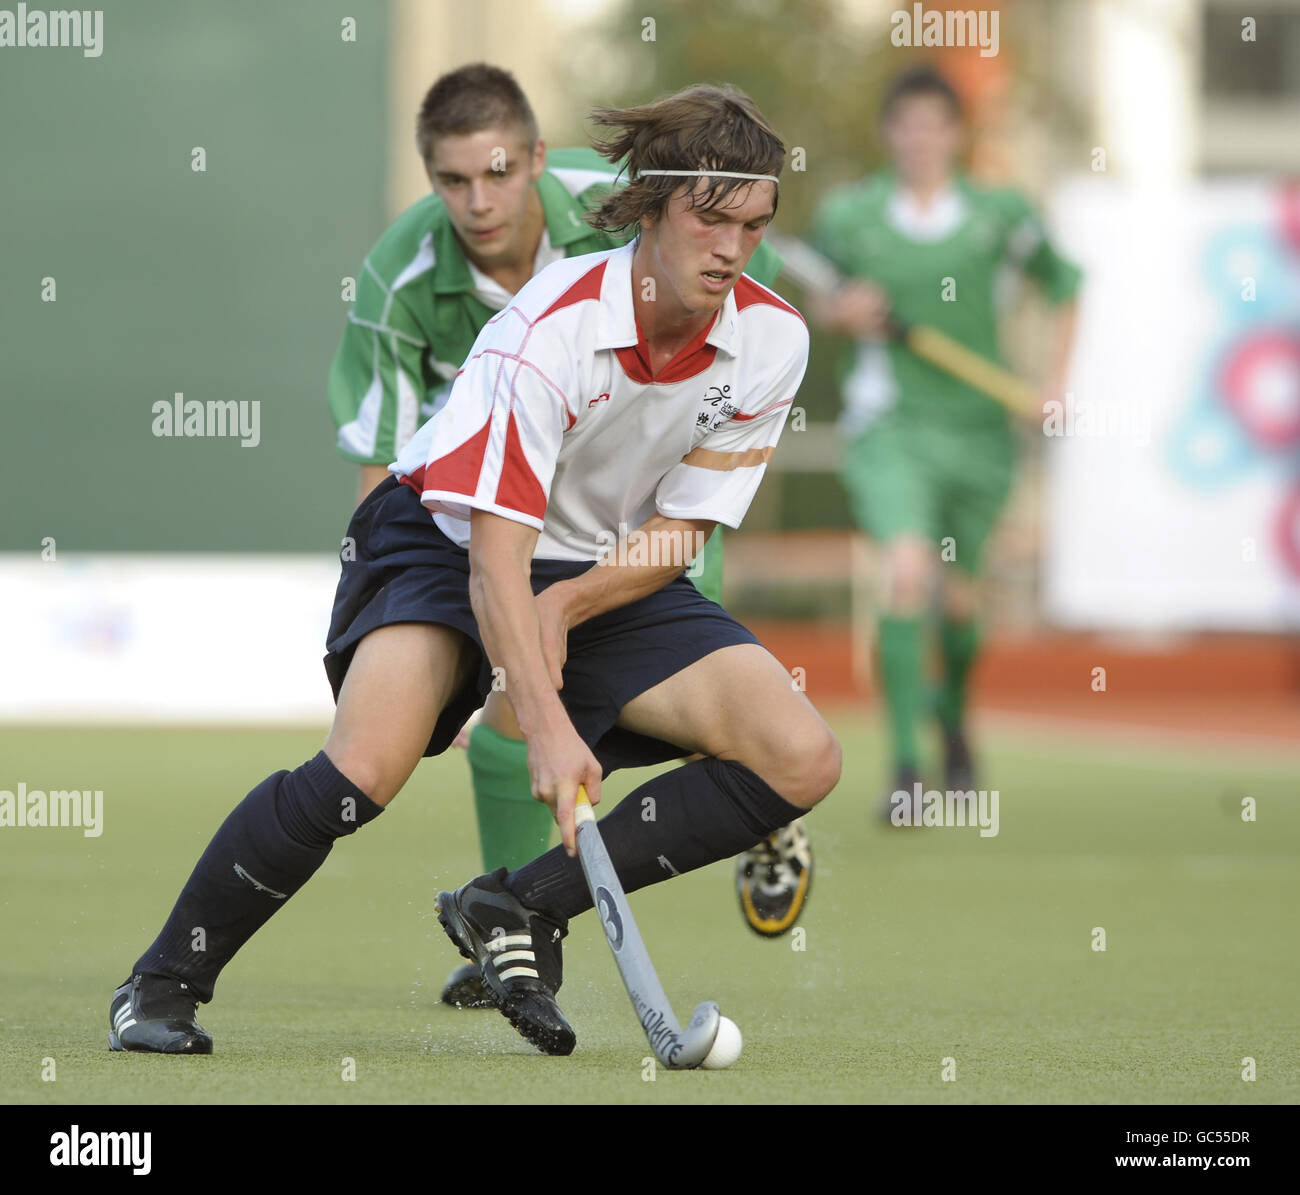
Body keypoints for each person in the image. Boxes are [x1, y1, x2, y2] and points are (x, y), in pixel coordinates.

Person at [109, 83, 839, 1058]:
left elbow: (681, 528)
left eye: (752, 224)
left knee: (799, 754)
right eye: (708, 220)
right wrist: (542, 724)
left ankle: (516, 901)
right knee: (362, 772)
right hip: (444, 538)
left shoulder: (771, 338)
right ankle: (161, 983)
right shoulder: (553, 331)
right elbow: (498, 562)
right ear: (650, 210)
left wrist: (573, 601)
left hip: (593, 557)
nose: (730, 249)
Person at [327, 65, 813, 1013]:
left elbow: (744, 270)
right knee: (512, 711)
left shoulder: (627, 206)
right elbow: (384, 460)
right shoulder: (400, 275)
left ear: (540, 162)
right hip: (501, 489)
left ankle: (751, 796)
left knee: (721, 699)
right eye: (453, 182)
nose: (479, 201)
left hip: (639, 495)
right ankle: (508, 925)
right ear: (428, 180)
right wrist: (408, 605)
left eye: (499, 174)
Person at [807, 66, 1080, 818]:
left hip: (982, 433)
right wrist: (840, 314)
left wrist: (1053, 383)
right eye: (907, 124)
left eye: (936, 125)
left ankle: (952, 716)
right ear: (888, 133)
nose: (921, 139)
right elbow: (812, 295)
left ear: (957, 135)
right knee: (903, 572)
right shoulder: (851, 216)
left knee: (962, 607)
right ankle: (904, 769)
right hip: (891, 427)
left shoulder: (1002, 213)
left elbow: (1065, 284)